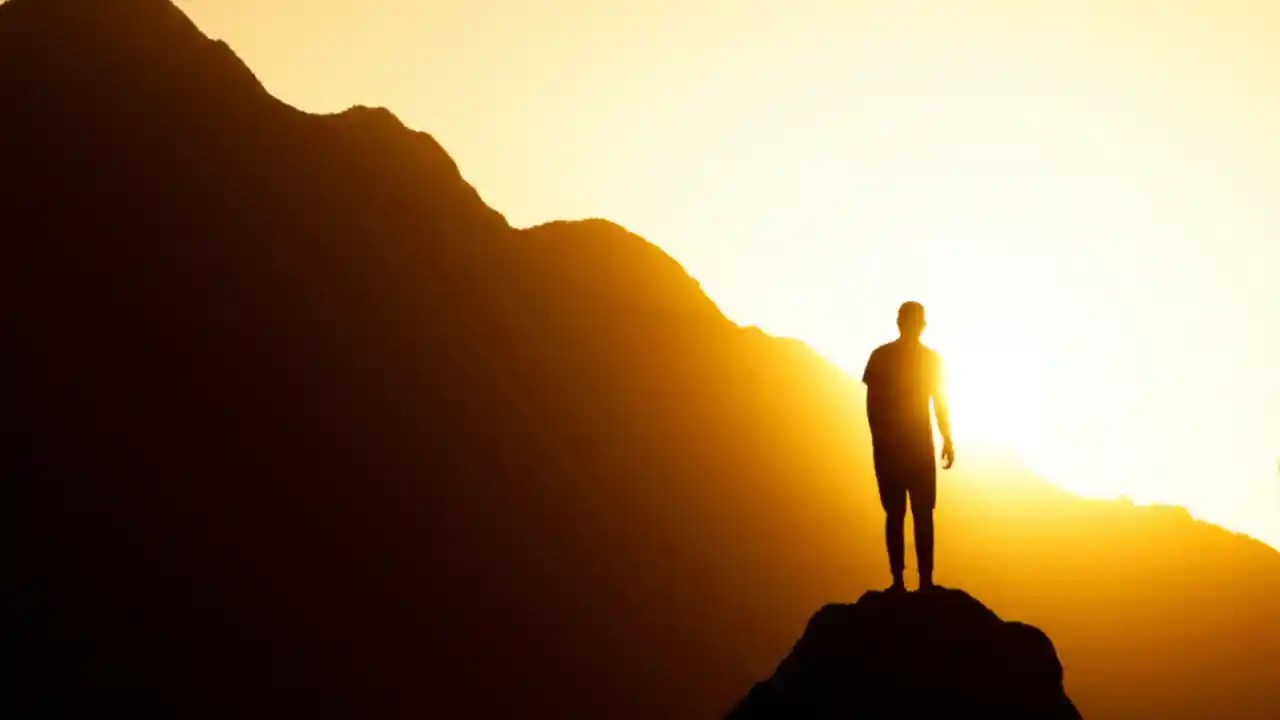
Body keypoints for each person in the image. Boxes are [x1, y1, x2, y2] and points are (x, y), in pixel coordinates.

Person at [862, 301, 953, 591]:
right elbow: (873, 406)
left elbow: (873, 407)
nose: (913, 326)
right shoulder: (893, 357)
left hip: (905, 448)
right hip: (907, 448)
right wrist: (947, 437)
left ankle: (908, 582)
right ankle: (912, 582)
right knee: (910, 513)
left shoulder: (883, 356)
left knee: (907, 513)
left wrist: (947, 436)